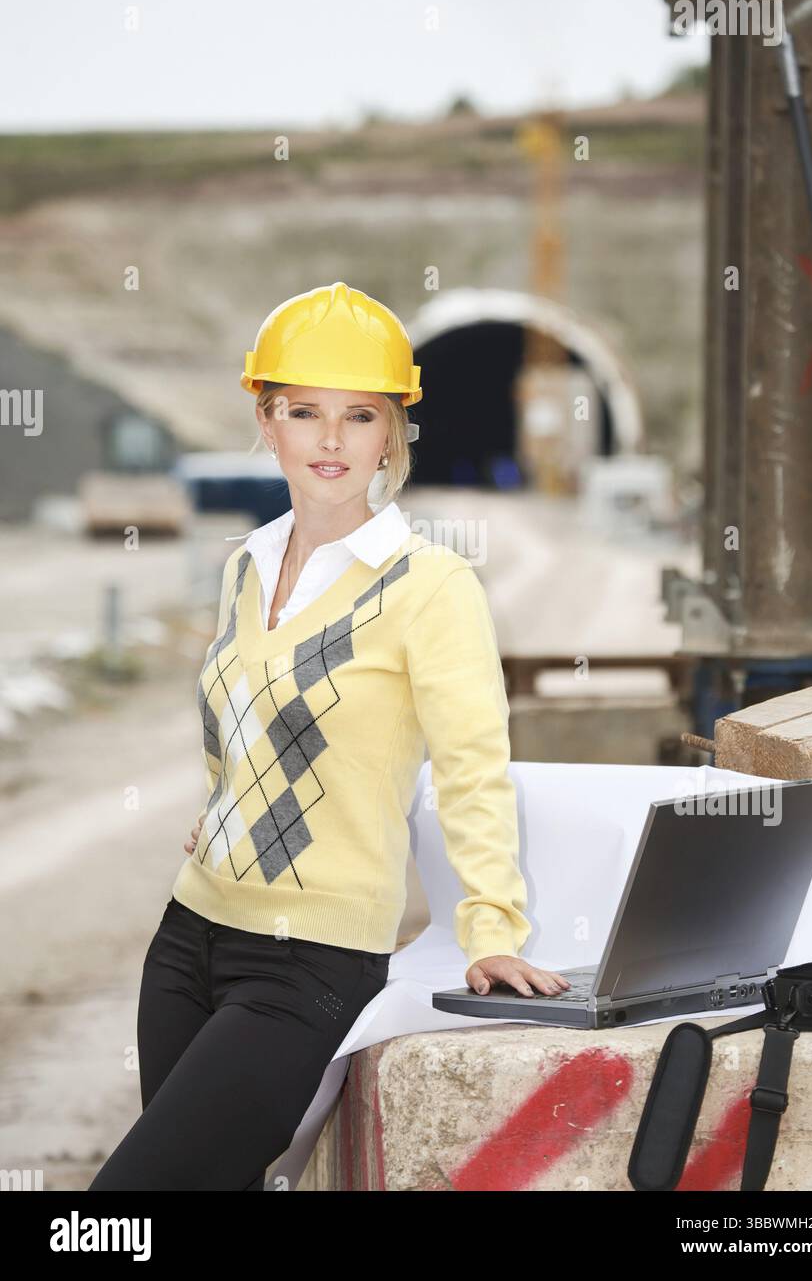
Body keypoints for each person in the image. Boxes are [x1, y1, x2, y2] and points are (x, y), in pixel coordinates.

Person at [88, 281, 567, 1191]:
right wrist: (221, 810)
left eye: (359, 415)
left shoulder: (431, 586)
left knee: (124, 1207)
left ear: (393, 432)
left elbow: (473, 768)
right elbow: (241, 717)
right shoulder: (244, 565)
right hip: (188, 939)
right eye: (304, 412)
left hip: (308, 965)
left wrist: (491, 927)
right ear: (267, 424)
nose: (332, 439)